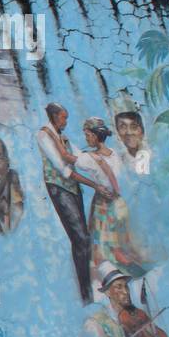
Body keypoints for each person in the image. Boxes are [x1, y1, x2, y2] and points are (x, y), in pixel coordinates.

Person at [36, 103, 113, 304]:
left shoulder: (64, 137)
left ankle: (90, 287)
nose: (66, 122)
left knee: (83, 238)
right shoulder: (44, 135)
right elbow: (64, 170)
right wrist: (95, 184)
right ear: (54, 117)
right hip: (59, 188)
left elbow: (78, 158)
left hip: (72, 188)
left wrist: (100, 162)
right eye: (63, 118)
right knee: (80, 238)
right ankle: (86, 292)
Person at [75, 116, 149, 280]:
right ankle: (127, 271)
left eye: (87, 135)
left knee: (103, 243)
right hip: (118, 202)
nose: (86, 139)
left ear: (94, 136)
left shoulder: (89, 158)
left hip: (103, 204)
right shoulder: (114, 154)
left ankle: (118, 274)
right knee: (119, 240)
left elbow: (73, 160)